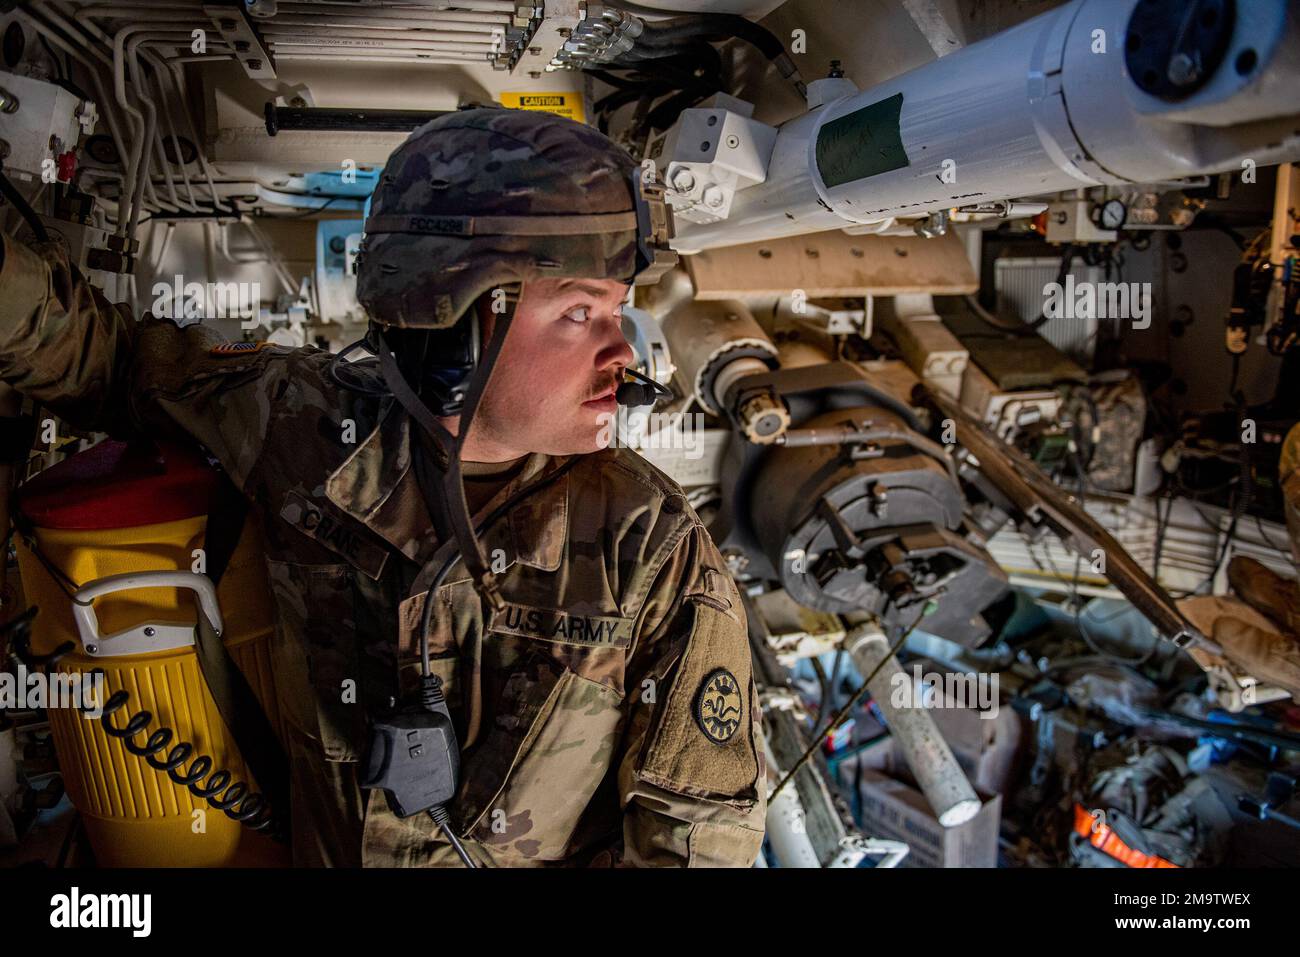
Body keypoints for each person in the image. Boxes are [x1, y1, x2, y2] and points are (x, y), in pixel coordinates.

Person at [0, 107, 767, 866]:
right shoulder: (302, 425)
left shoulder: (653, 550)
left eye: (618, 310)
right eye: (578, 311)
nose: (620, 351)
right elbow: (106, 360)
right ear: (454, 329)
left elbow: (698, 841)